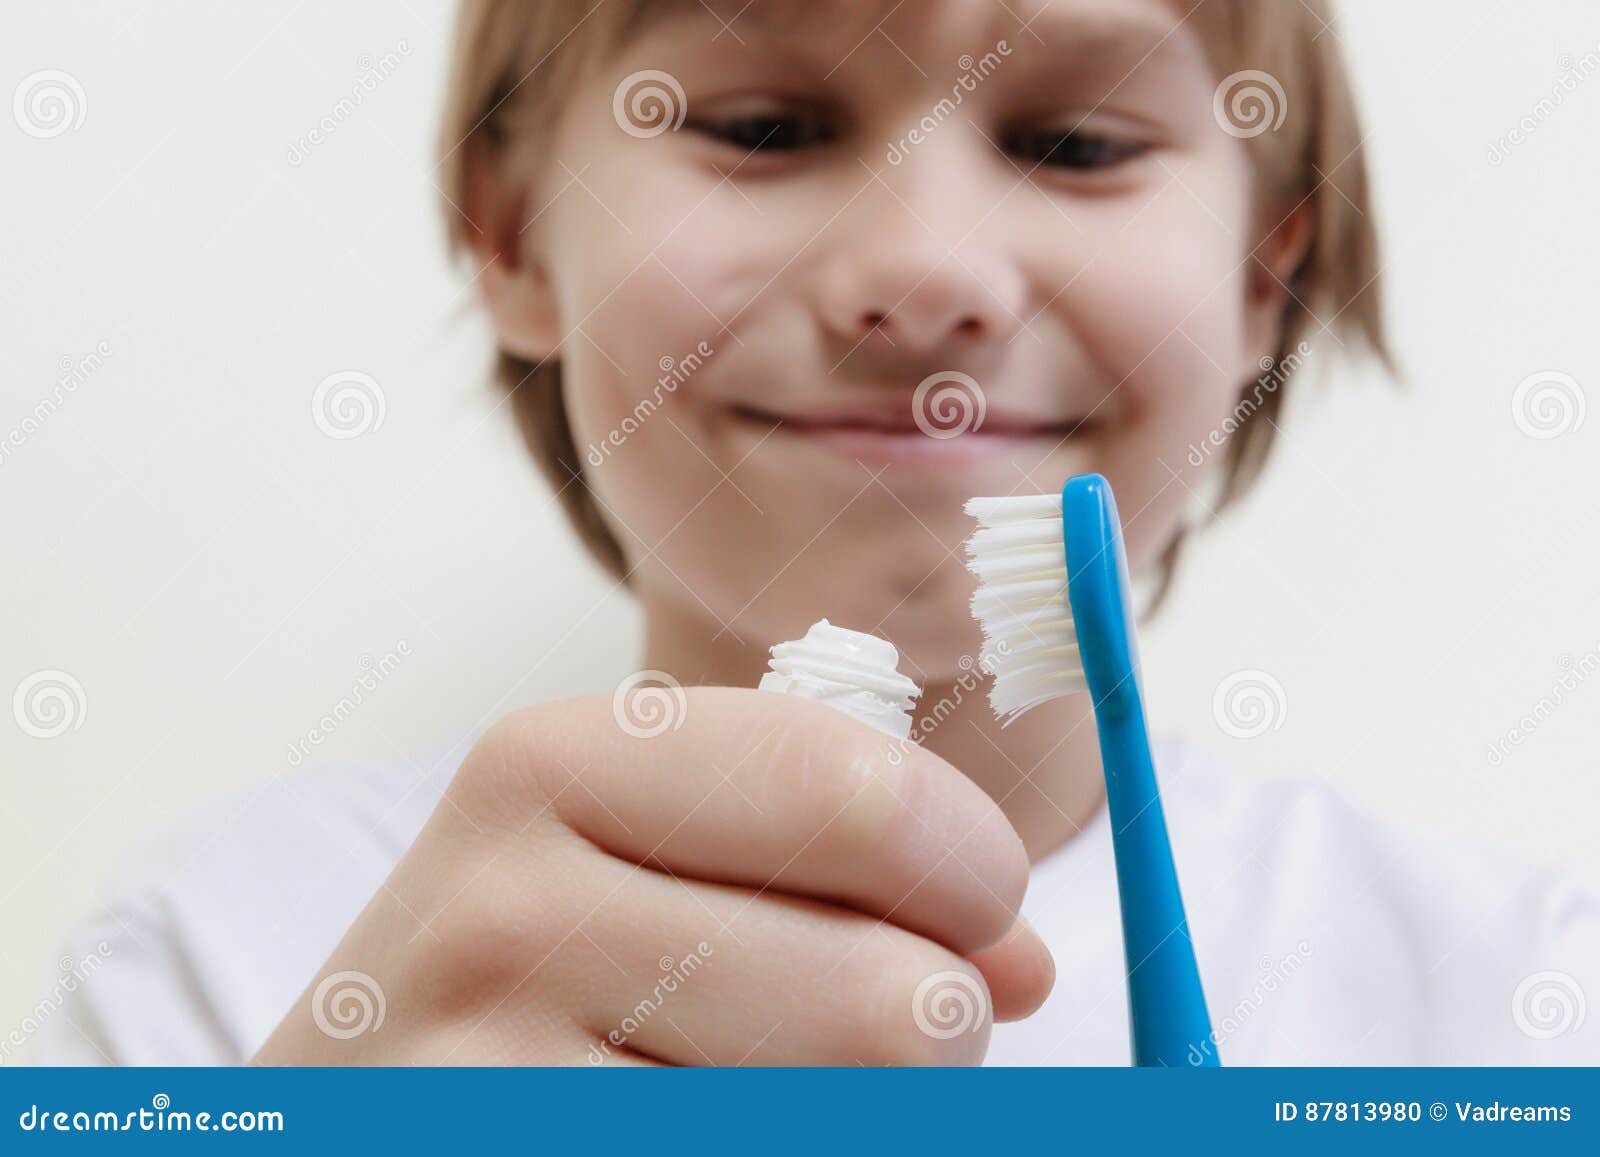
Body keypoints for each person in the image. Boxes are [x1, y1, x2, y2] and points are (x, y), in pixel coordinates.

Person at [33, 0, 1598, 1066]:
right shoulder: (225, 963)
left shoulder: (1521, 995)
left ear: (1266, 266)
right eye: (767, 126)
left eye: (1074, 145)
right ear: (509, 235)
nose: (926, 272)